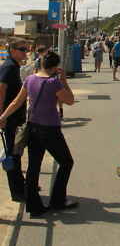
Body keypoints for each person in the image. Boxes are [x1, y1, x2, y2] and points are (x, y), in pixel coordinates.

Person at [0, 52, 77, 218]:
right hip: (50, 129)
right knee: (66, 162)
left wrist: (2, 117)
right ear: (56, 67)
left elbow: (16, 102)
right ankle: (57, 200)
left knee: (34, 166)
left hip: (33, 127)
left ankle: (34, 206)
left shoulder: (30, 79)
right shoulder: (54, 82)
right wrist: (64, 80)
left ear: (41, 63)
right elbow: (70, 100)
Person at [0, 39, 28, 202]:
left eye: (26, 49)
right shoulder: (9, 67)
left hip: (14, 119)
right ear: (12, 50)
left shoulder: (14, 66)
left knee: (16, 152)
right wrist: (2, 116)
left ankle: (21, 184)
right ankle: (17, 191)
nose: (26, 52)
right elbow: (1, 90)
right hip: (10, 120)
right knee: (13, 154)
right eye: (22, 49)